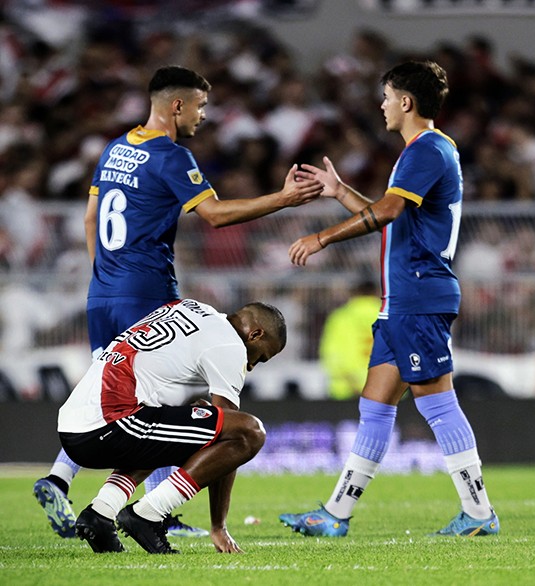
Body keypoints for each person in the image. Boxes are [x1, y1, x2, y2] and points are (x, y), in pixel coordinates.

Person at [32, 65, 323, 540]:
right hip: (145, 291)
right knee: (162, 405)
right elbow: (215, 214)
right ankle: (157, 512)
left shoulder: (115, 148)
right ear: (178, 105)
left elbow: (90, 219)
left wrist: (107, 275)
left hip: (102, 293)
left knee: (110, 396)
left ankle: (62, 480)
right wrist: (283, 199)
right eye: (202, 106)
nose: (204, 116)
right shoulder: (170, 156)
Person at [278, 60, 499, 537]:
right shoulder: (425, 151)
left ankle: (480, 513)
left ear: (406, 101)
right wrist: (340, 192)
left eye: (386, 96)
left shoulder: (428, 150)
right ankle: (335, 514)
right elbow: (390, 217)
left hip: (420, 294)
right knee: (375, 406)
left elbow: (388, 211)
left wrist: (322, 238)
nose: (381, 105)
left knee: (437, 403)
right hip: (401, 300)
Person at [59, 298, 285, 554]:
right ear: (255, 334)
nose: (252, 366)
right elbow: (230, 432)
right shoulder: (230, 344)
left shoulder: (189, 307)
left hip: (74, 422)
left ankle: (101, 511)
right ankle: (148, 513)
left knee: (175, 425)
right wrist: (218, 525)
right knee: (249, 432)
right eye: (261, 357)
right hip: (110, 422)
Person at [319, 279, 382, 400]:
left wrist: (351, 381)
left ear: (354, 293)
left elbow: (330, 353)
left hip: (346, 390)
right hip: (386, 391)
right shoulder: (392, 316)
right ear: (377, 292)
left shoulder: (340, 317)